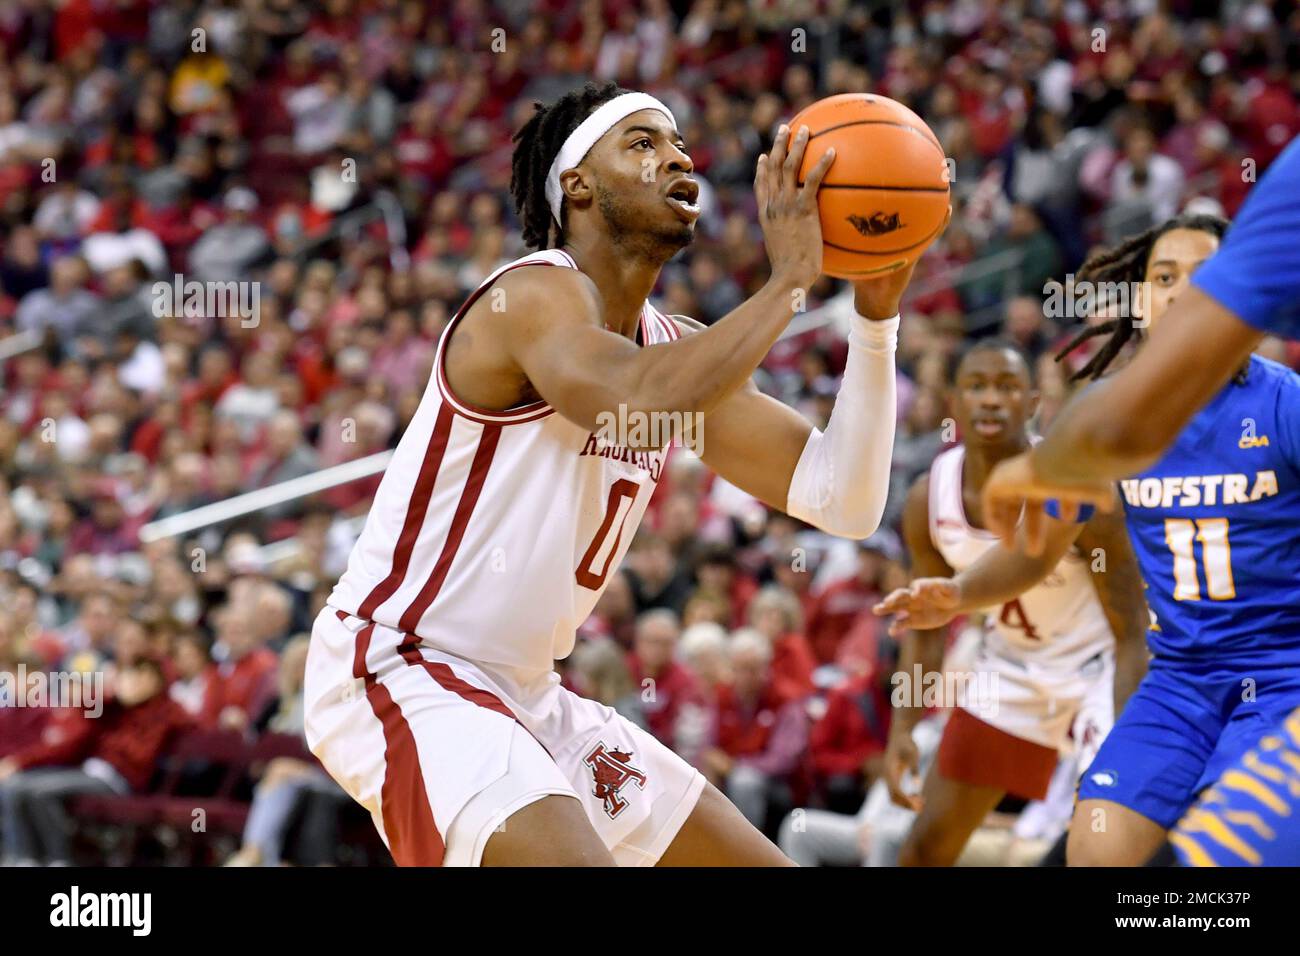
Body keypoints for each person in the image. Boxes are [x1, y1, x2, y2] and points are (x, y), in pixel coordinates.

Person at [304, 81, 933, 866]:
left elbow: (845, 501)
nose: (676, 156)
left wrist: (876, 321)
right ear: (577, 185)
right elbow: (630, 401)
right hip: (403, 663)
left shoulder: (675, 347)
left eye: (678, 144)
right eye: (641, 143)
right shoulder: (533, 293)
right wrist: (787, 285)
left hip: (529, 693)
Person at [909, 202, 1300, 865]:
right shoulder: (1103, 417)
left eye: (1204, 276)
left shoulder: (1285, 404)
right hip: (1179, 680)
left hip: (1286, 677)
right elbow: (1035, 551)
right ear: (1140, 300)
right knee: (1095, 852)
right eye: (1165, 276)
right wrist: (960, 593)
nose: (1181, 292)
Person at [872, 340, 1148, 866]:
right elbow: (928, 627)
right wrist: (905, 728)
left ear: (1033, 402)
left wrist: (1129, 734)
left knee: (1107, 846)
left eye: (1007, 387)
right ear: (953, 402)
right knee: (924, 848)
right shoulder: (927, 498)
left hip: (1099, 671)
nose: (991, 401)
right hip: (1012, 671)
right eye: (977, 387)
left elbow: (1132, 628)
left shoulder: (1074, 487)